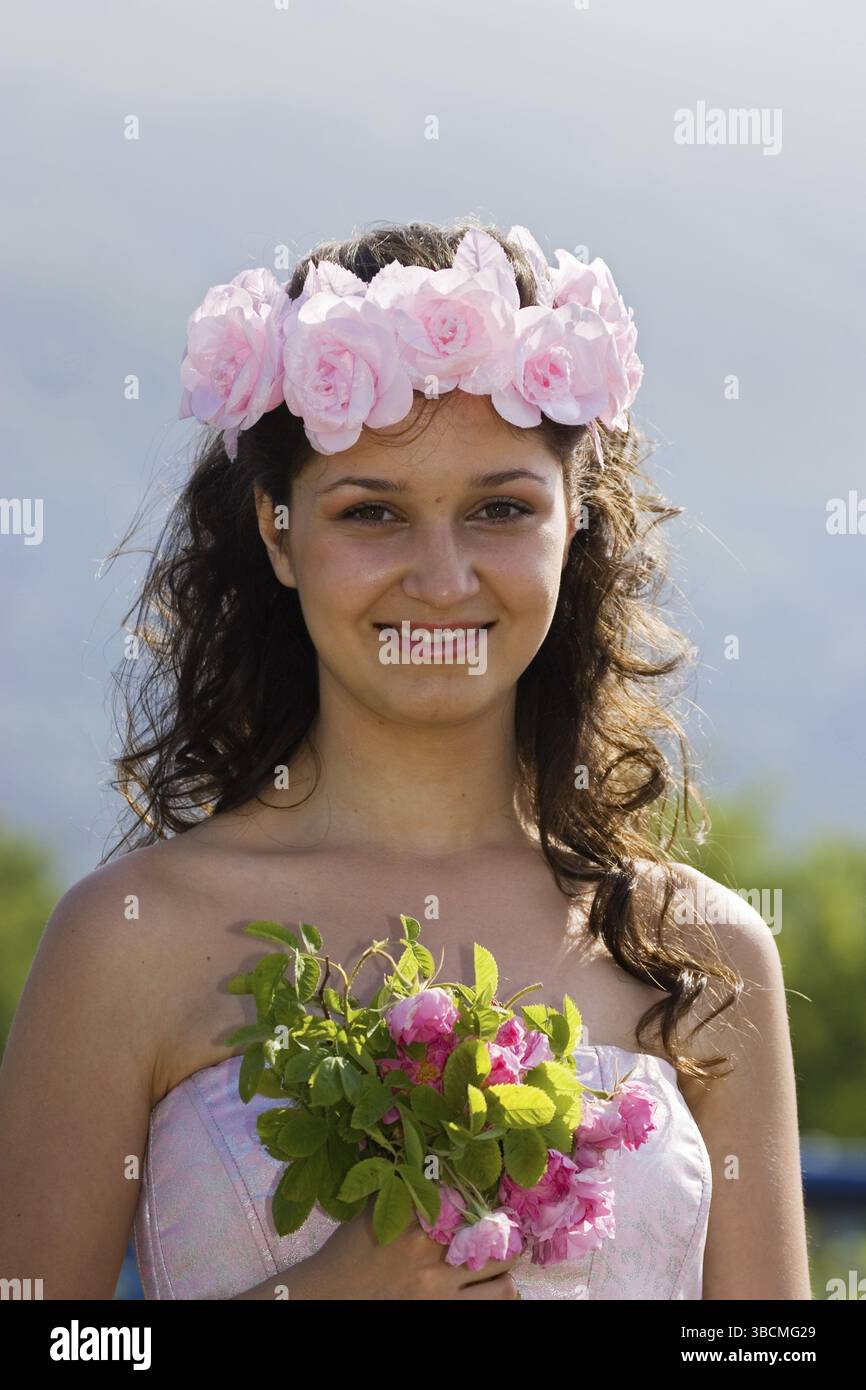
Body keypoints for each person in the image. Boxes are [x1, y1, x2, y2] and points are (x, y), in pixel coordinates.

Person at [0, 219, 811, 1300]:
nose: (440, 578)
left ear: (574, 525)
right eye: (373, 511)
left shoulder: (703, 950)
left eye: (499, 509)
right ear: (279, 532)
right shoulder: (125, 939)